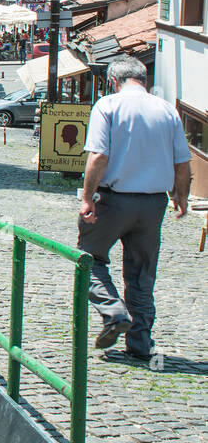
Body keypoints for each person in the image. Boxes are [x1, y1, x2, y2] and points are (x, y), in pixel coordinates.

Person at [77, 57, 192, 361]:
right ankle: (140, 343)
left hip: (112, 201)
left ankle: (113, 312)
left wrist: (87, 197)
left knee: (88, 259)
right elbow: (182, 163)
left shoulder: (108, 105)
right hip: (152, 205)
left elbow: (99, 156)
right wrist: (181, 197)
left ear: (114, 81)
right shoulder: (167, 110)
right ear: (143, 79)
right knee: (142, 274)